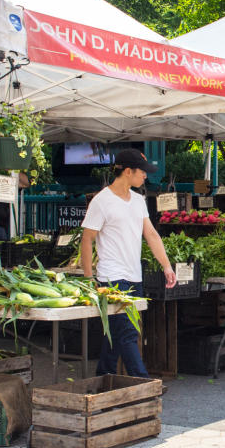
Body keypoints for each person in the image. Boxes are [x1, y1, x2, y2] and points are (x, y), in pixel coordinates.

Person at [80, 148, 175, 379]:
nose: (146, 176)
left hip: (134, 276)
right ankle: (142, 382)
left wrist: (166, 265)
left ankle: (103, 376)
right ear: (128, 171)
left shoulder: (139, 200)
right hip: (111, 278)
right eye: (142, 172)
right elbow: (87, 239)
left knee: (116, 334)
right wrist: (88, 278)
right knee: (128, 333)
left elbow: (151, 234)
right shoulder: (102, 201)